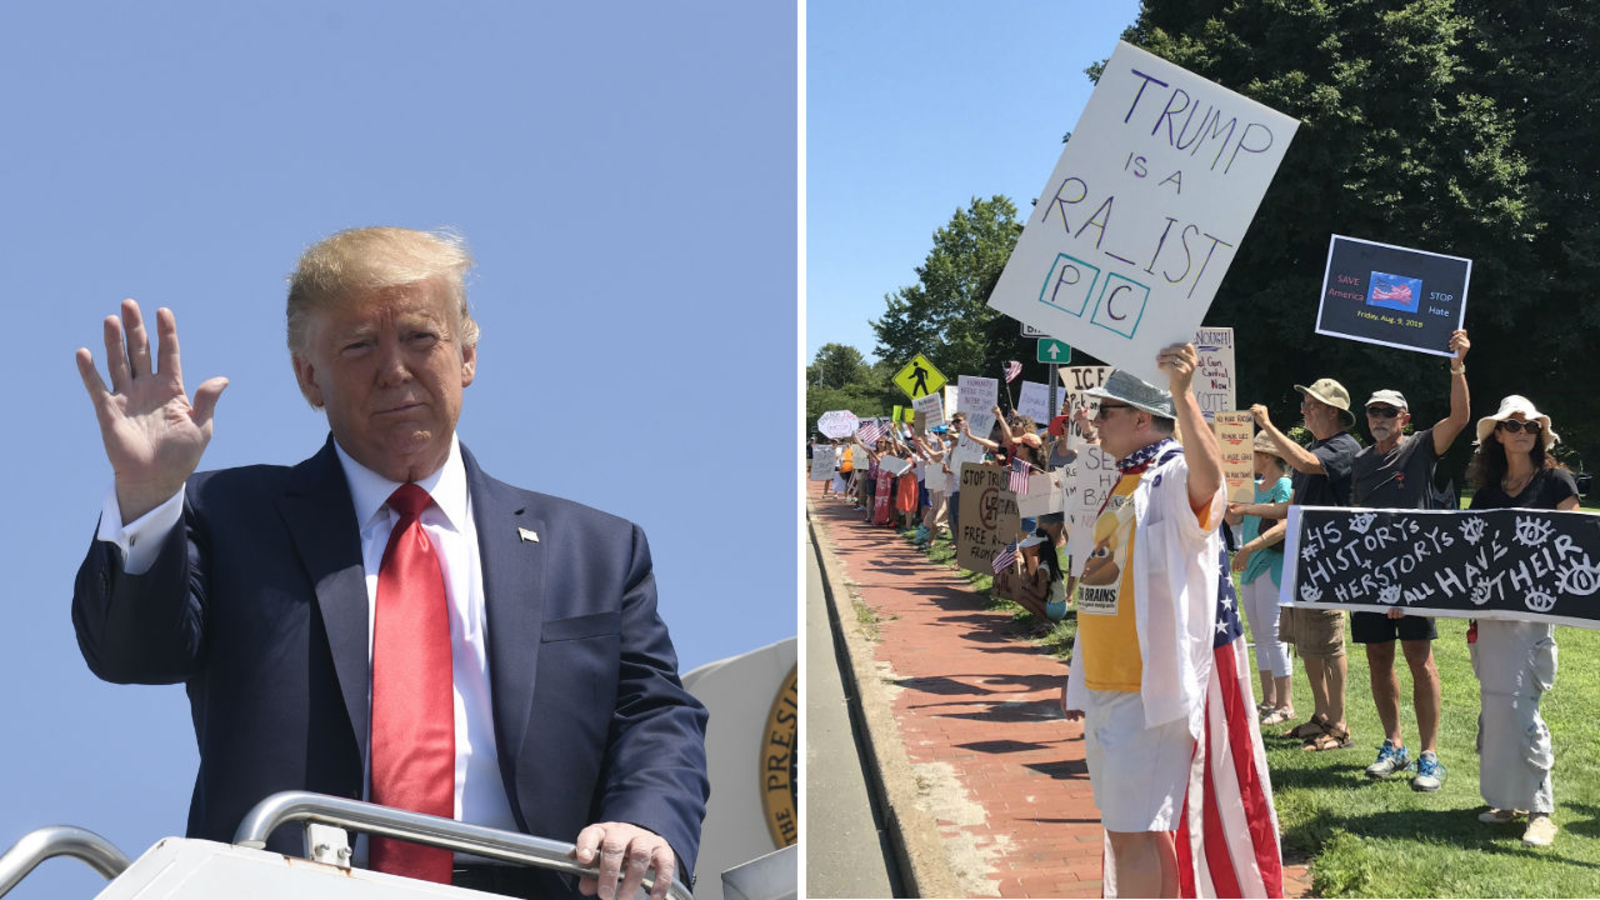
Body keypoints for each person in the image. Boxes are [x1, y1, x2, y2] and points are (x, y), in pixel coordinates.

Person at [71, 228, 708, 900]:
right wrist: (147, 495)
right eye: (359, 346)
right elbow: (130, 654)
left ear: (467, 354)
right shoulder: (229, 514)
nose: (394, 369)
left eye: (420, 337)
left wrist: (643, 823)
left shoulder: (597, 552)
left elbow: (656, 716)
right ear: (308, 377)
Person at [1061, 345, 1228, 899]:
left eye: (1104, 412)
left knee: (1131, 836)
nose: (1094, 422)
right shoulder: (1128, 478)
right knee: (1140, 833)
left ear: (1140, 419)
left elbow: (1211, 480)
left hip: (1145, 689)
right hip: (1111, 683)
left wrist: (1183, 395)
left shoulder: (1173, 472)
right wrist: (1080, 675)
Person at [1347, 330, 1471, 791]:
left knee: (1420, 659)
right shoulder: (1360, 461)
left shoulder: (1420, 446)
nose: (1378, 418)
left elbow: (1460, 417)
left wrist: (1457, 364)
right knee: (1378, 657)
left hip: (1416, 573)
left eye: (1387, 412)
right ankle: (1393, 745)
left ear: (1404, 417)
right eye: (1372, 411)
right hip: (1371, 578)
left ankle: (1429, 755)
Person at [1466, 395, 1579, 847]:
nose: (1522, 432)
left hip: (1533, 614)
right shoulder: (1488, 493)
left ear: (1539, 434)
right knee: (1495, 706)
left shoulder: (1556, 482)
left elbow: (1572, 548)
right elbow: (1469, 552)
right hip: (1491, 614)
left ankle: (1541, 809)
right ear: (1498, 434)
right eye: (1512, 425)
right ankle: (1506, 800)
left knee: (1522, 706)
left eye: (1529, 426)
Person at [1243, 377, 1361, 751]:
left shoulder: (1342, 448)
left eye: (1310, 405)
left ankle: (1339, 725)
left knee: (1329, 644)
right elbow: (1289, 509)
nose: (1304, 410)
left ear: (1333, 411)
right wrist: (1246, 507)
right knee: (1306, 644)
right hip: (1304, 561)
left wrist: (1266, 426)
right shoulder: (1315, 447)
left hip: (1329, 562)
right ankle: (1320, 716)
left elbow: (1307, 464)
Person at [1226, 431, 1295, 726]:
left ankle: (1285, 703)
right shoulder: (1251, 486)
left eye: (1254, 453)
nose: (1249, 459)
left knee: (1274, 635)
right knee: (1260, 634)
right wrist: (1230, 498)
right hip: (1251, 563)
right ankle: (1269, 699)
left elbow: (1284, 522)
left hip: (1272, 562)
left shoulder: (1283, 485)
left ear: (1266, 457)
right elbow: (1234, 520)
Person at [1013, 530, 1067, 625]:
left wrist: (1028, 586)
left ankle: (1046, 622)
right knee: (1023, 591)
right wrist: (1022, 564)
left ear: (1038, 547)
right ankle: (1046, 620)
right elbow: (1031, 581)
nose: (1027, 548)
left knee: (1019, 595)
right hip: (1060, 606)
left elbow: (1040, 594)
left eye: (1030, 545)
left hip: (1056, 609)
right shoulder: (1048, 561)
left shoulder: (1043, 568)